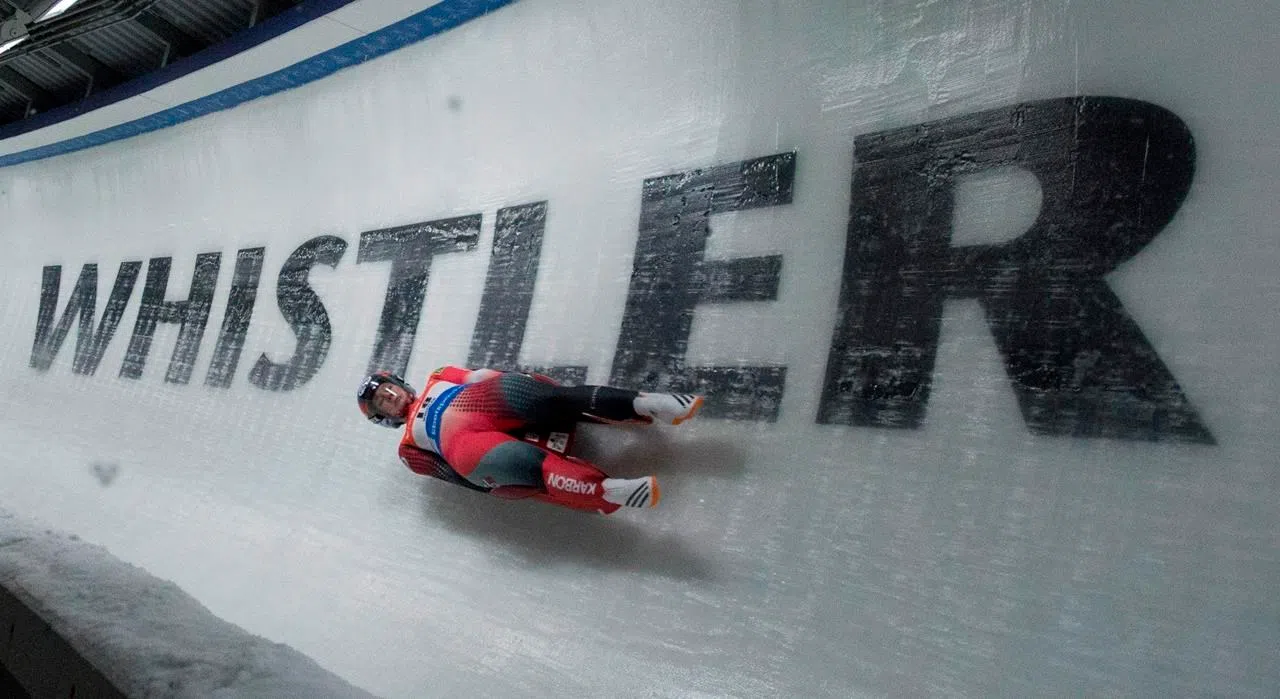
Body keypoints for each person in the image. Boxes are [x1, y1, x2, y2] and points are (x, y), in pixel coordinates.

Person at [356, 365, 703, 514]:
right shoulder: (407, 448)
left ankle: (645, 403)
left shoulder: (439, 376)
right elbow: (448, 474)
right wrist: (496, 488)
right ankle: (608, 490)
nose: (390, 396)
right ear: (383, 416)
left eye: (389, 389)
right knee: (521, 464)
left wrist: (526, 381)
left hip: (482, 402)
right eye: (383, 401)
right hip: (464, 446)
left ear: (400, 383)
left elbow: (478, 376)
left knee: (550, 398)